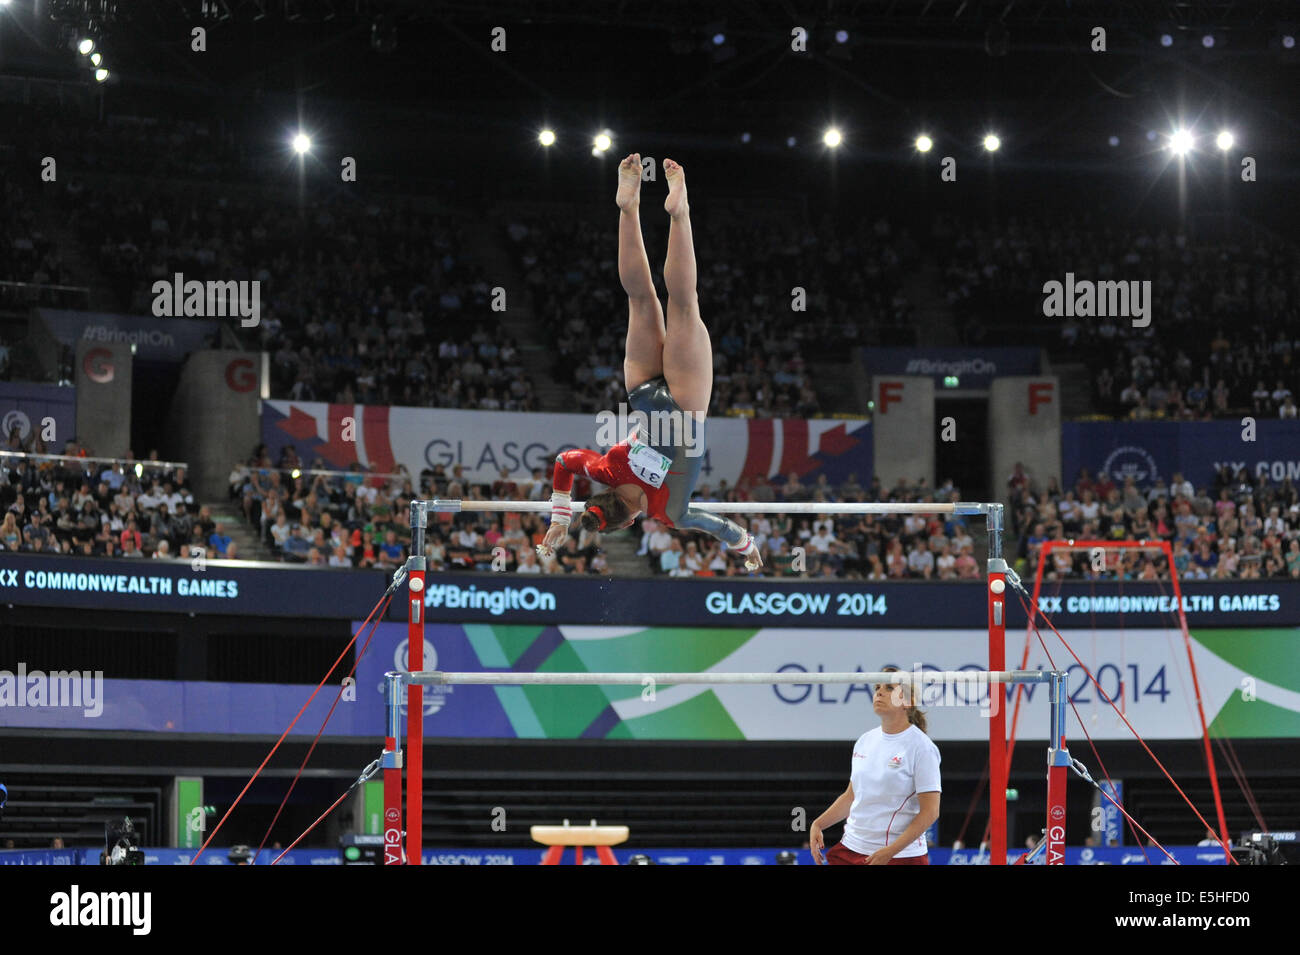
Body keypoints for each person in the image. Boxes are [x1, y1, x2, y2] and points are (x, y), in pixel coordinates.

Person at [538, 155, 761, 571]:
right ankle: (628, 207)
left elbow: (720, 527)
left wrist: (747, 546)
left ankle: (680, 214)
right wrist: (559, 515)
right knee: (640, 299)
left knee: (684, 302)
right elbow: (564, 461)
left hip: (684, 404)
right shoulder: (603, 470)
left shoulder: (667, 511)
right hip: (642, 391)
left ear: (629, 522)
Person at [810, 666, 941, 865]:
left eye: (889, 688)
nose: (879, 692)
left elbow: (930, 812)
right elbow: (851, 797)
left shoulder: (922, 748)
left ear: (907, 701)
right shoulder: (864, 740)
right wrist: (818, 824)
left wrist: (890, 851)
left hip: (898, 855)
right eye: (877, 687)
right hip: (851, 848)